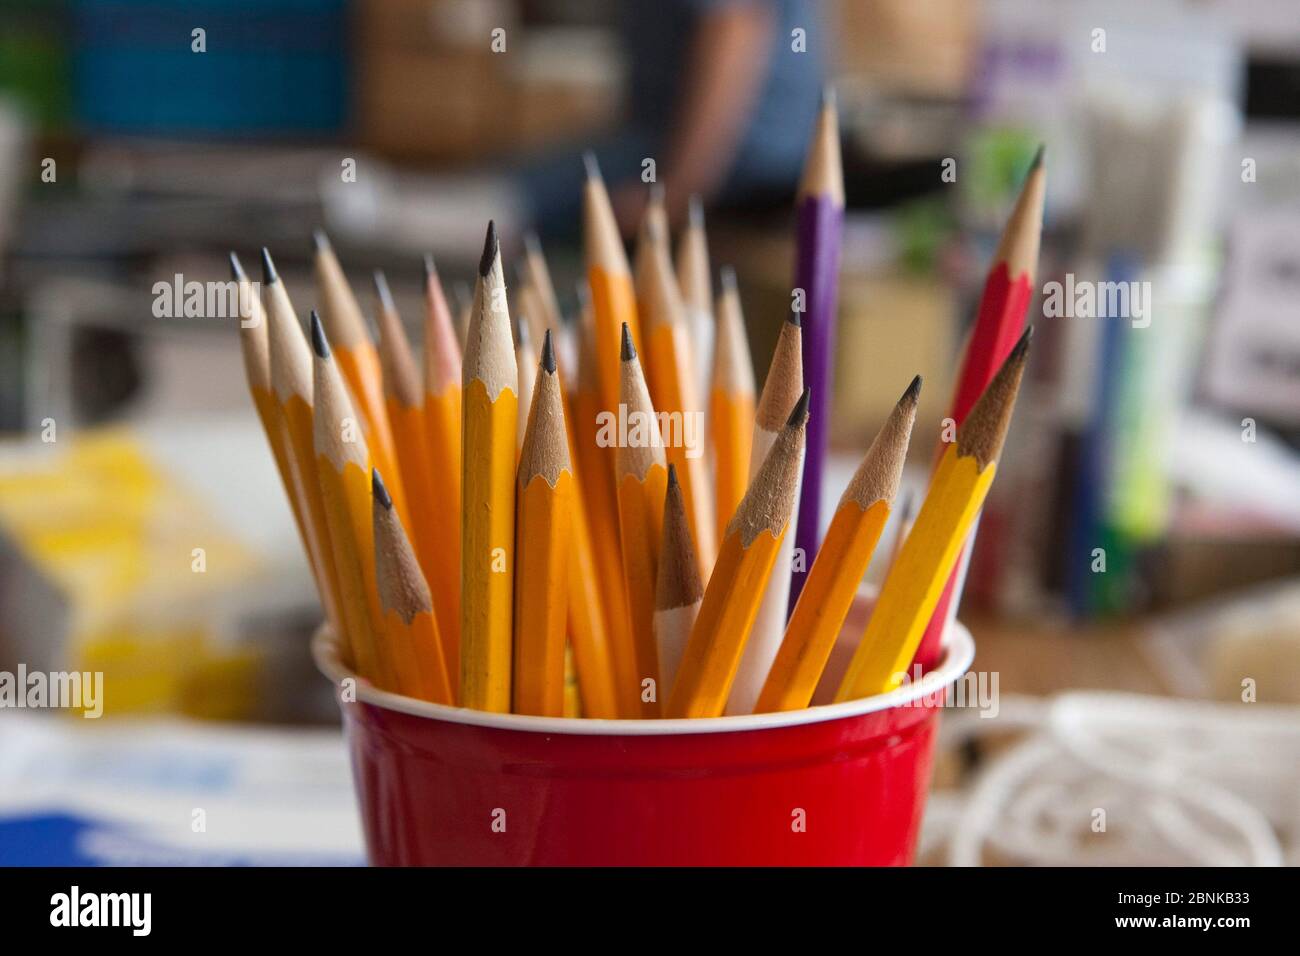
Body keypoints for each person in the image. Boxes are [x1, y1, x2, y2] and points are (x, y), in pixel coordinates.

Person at [512, 0, 825, 237]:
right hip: (665, 147)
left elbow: (736, 28)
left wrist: (678, 193)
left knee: (506, 199)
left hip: (743, 162)